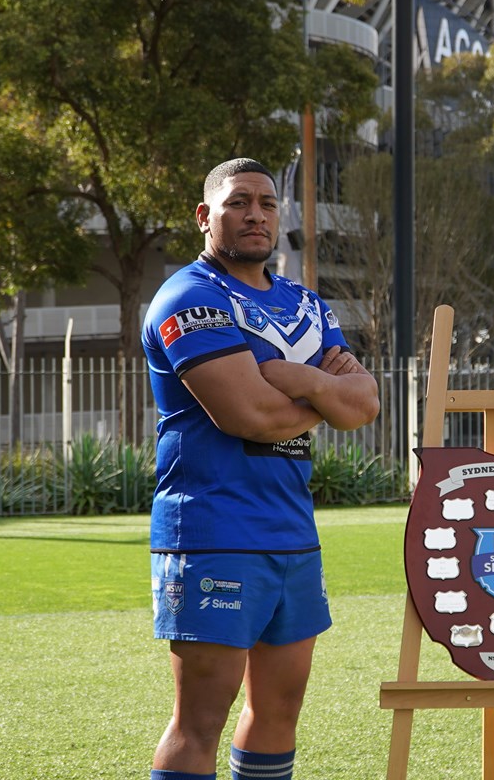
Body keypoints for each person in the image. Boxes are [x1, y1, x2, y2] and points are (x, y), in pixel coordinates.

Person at [140, 158, 380, 780]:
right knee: (200, 720)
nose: (255, 215)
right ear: (205, 216)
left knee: (280, 707)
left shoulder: (307, 304)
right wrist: (324, 394)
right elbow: (247, 412)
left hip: (292, 533)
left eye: (267, 204)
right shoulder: (190, 297)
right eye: (238, 202)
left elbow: (365, 406)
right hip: (214, 529)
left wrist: (297, 380)